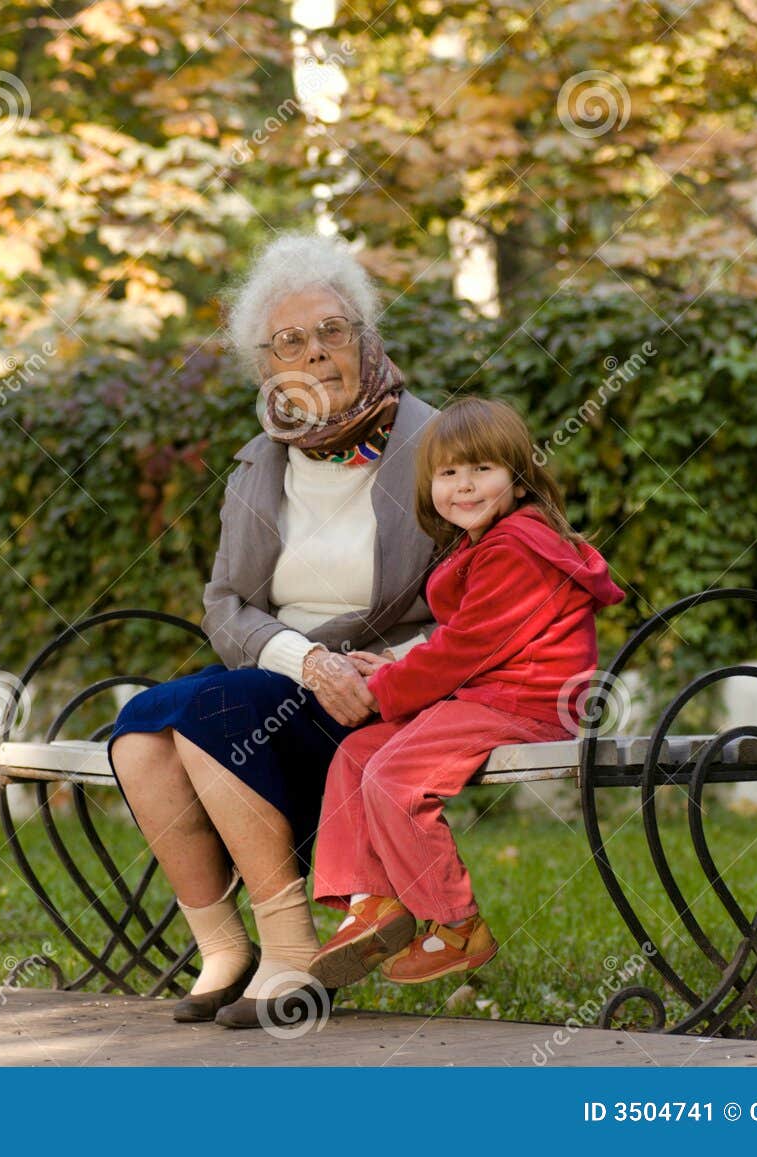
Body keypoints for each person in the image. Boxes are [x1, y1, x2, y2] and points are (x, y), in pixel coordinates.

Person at [106, 232, 441, 1028]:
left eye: (333, 331)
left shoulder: (433, 443)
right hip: (286, 679)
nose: (316, 353)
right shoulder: (260, 461)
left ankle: (291, 951)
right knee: (137, 727)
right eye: (290, 340)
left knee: (211, 710)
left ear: (367, 339)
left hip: (384, 689)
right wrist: (306, 658)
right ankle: (223, 947)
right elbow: (225, 606)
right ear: (268, 368)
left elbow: (467, 598)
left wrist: (365, 665)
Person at [308, 396, 625, 990]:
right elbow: (467, 640)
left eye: (482, 469)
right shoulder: (488, 544)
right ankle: (373, 903)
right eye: (449, 473)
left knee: (394, 777)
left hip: (527, 703)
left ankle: (457, 924)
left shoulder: (514, 547)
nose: (465, 486)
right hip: (488, 697)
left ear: (518, 475)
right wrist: (397, 666)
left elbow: (465, 650)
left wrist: (383, 688)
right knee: (355, 754)